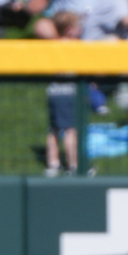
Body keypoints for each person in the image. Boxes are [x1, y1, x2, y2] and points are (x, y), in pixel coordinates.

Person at [44, 15, 85, 177]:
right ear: (69, 29)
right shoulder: (75, 46)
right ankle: (74, 165)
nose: (80, 29)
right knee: (70, 130)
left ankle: (53, 164)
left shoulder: (52, 45)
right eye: (77, 26)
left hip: (53, 92)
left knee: (53, 129)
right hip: (68, 92)